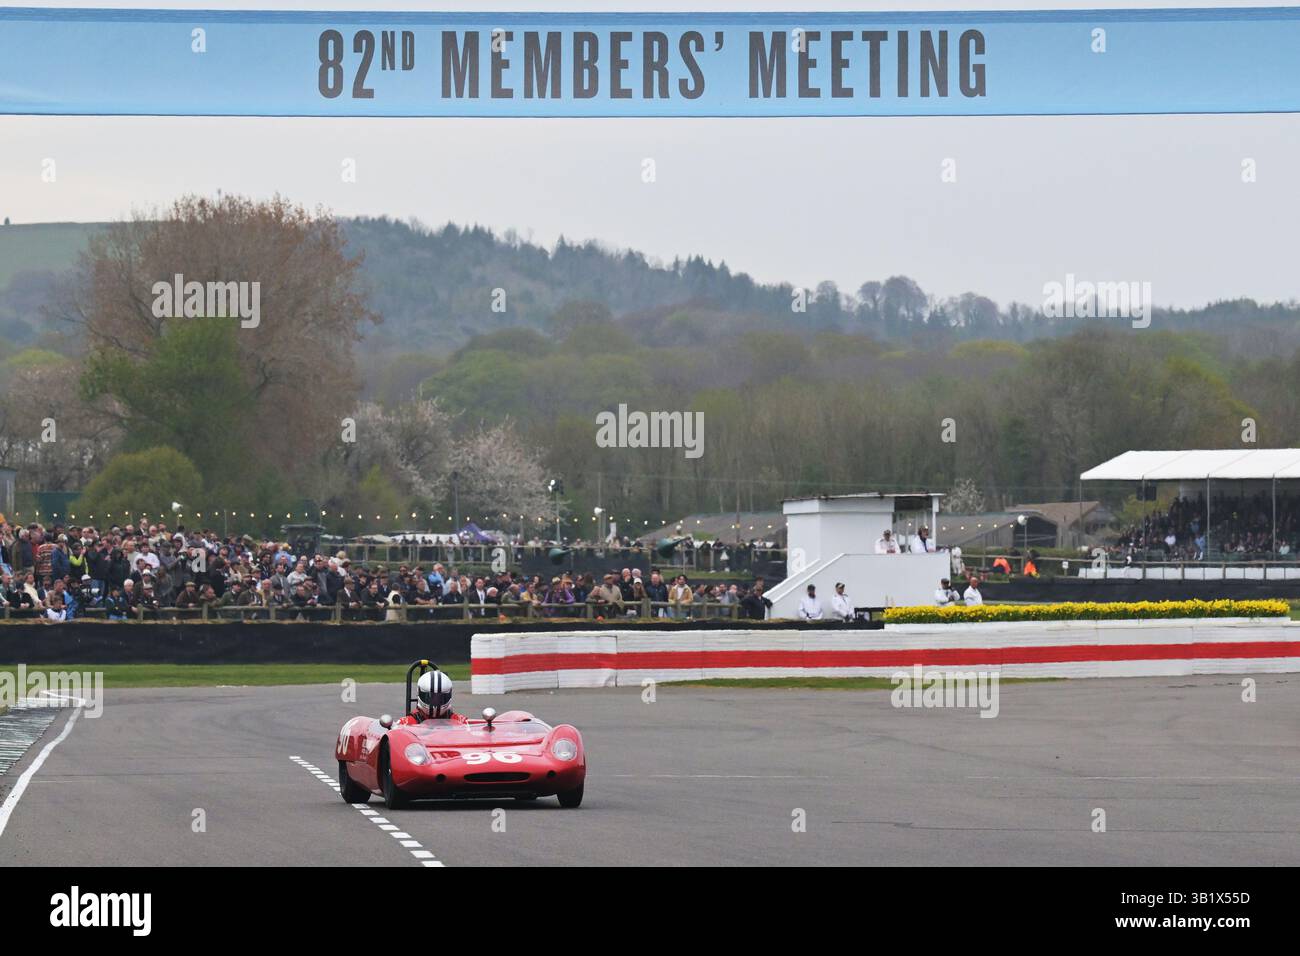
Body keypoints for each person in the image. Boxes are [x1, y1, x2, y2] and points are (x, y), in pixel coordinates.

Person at [397, 670, 465, 725]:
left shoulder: (458, 721)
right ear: (420, 694)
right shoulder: (407, 722)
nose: (436, 701)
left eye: (440, 698)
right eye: (431, 698)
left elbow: (473, 731)